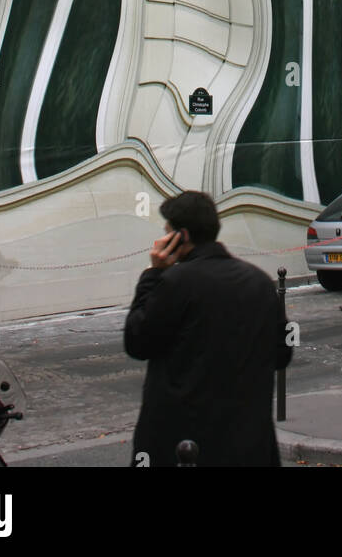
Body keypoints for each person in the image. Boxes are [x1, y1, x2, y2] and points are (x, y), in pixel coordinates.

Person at [124, 189, 292, 467]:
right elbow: (282, 354)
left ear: (182, 236)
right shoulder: (260, 282)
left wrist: (152, 274)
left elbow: (137, 340)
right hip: (248, 444)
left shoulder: (175, 282)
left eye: (167, 231)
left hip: (185, 444)